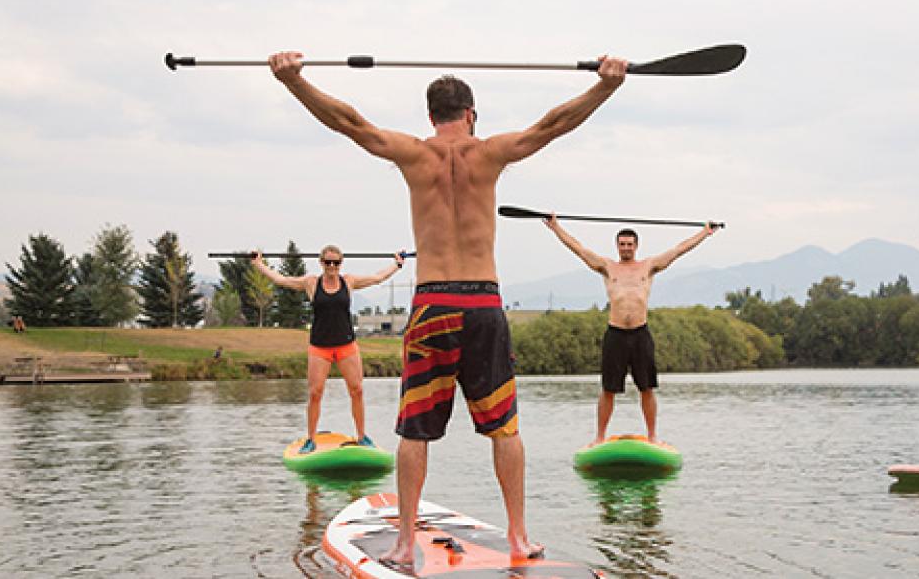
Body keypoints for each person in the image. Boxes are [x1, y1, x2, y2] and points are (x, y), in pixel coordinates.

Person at [268, 50, 627, 563]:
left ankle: (403, 542)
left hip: (434, 305)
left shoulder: (413, 153)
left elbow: (348, 122)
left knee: (416, 429)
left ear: (430, 117)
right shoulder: (492, 152)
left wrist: (294, 82)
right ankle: (519, 536)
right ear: (471, 113)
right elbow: (553, 125)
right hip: (483, 304)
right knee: (505, 426)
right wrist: (605, 88)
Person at [544, 216, 716, 445]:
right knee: (608, 389)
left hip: (640, 334)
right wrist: (556, 227)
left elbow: (679, 250)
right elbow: (578, 249)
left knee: (647, 387)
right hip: (615, 334)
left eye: (630, 244)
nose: (626, 248)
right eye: (622, 244)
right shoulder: (607, 267)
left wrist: (704, 233)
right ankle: (599, 437)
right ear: (617, 246)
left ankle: (653, 435)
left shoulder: (648, 266)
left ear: (636, 246)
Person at [251, 246, 403, 453]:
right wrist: (259, 264)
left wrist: (397, 264)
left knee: (357, 390)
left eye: (336, 263)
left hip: (346, 345)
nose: (332, 266)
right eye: (328, 262)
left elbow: (377, 278)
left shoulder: (348, 281)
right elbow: (282, 280)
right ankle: (311, 439)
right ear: (321, 263)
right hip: (319, 347)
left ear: (341, 263)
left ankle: (362, 436)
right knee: (315, 393)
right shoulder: (311, 283)